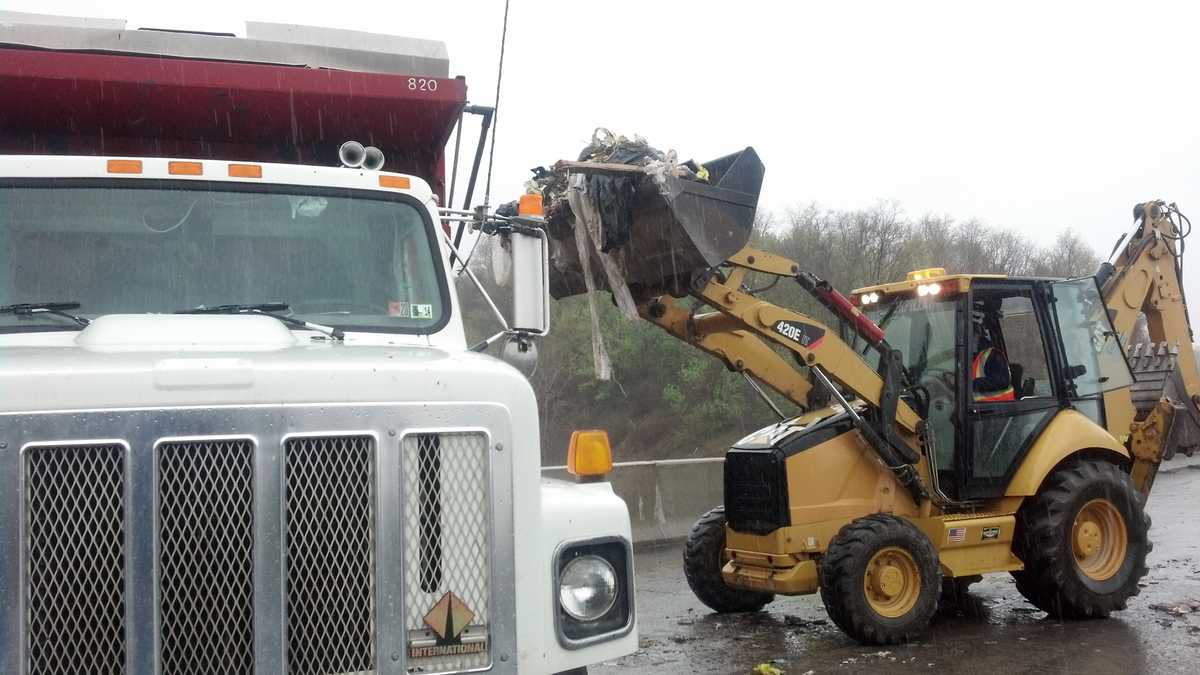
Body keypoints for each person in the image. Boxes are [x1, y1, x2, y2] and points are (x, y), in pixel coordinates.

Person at [971, 301, 1014, 402]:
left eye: (972, 329)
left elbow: (1001, 381)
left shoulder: (992, 355)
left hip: (998, 412)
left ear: (978, 330)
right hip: (975, 411)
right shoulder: (965, 354)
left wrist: (970, 384)